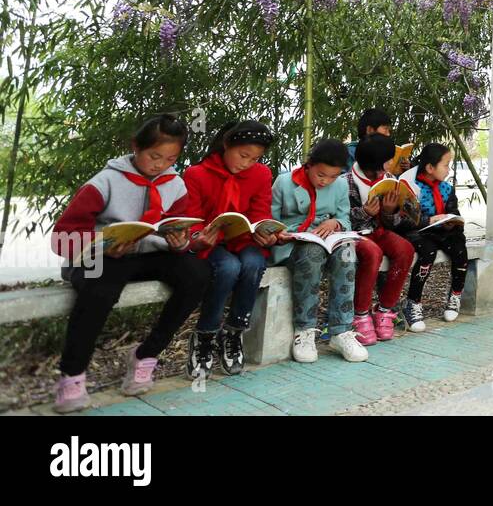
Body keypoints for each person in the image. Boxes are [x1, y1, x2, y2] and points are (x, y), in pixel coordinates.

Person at [49, 115, 210, 413]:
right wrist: (104, 242)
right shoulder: (105, 182)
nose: (160, 164)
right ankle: (72, 376)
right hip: (103, 257)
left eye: (170, 158)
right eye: (154, 156)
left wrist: (181, 242)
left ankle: (146, 356)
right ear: (136, 147)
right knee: (100, 289)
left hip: (150, 253)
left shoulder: (175, 185)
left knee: (198, 274)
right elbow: (62, 239)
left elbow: (176, 228)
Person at [182, 120, 277, 378]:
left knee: (253, 264)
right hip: (211, 244)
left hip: (243, 239)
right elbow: (190, 218)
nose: (246, 163)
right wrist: (198, 236)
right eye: (243, 155)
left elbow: (260, 213)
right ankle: (205, 335)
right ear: (226, 144)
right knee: (228, 267)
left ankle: (234, 332)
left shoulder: (261, 175)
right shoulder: (196, 174)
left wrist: (264, 233)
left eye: (254, 158)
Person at [271, 139, 369, 363]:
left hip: (328, 240)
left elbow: (344, 217)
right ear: (309, 164)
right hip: (292, 243)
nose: (326, 181)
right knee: (311, 254)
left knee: (347, 253)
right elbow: (270, 220)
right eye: (321, 174)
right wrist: (280, 234)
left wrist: (335, 223)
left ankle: (341, 330)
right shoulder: (284, 183)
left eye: (333, 176)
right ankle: (304, 330)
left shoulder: (341, 185)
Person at [344, 133, 416, 345]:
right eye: (387, 160)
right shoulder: (346, 182)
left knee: (405, 249)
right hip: (356, 236)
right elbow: (342, 218)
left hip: (379, 231)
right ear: (375, 163)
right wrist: (365, 212)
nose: (390, 164)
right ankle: (360, 314)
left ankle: (385, 309)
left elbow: (392, 223)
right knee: (373, 253)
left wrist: (388, 211)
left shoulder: (389, 181)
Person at [396, 143, 470, 328]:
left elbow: (453, 211)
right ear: (430, 167)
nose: (448, 169)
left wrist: (452, 222)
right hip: (421, 232)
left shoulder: (446, 188)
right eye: (445, 165)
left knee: (459, 247)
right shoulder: (411, 187)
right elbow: (407, 220)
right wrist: (429, 220)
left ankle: (455, 295)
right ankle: (413, 303)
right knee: (427, 252)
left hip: (443, 231)